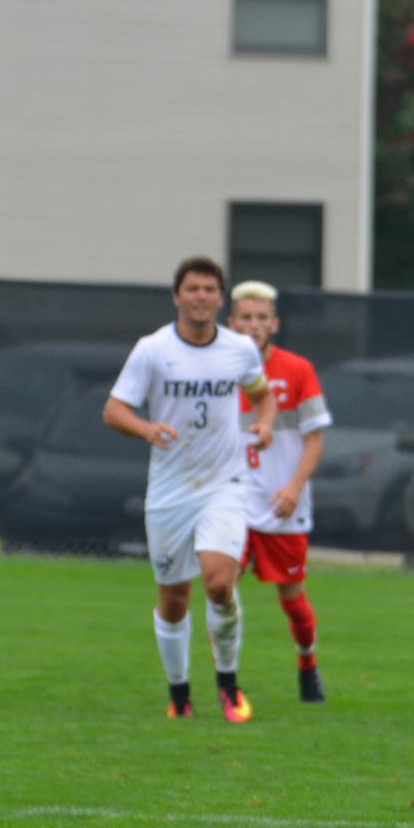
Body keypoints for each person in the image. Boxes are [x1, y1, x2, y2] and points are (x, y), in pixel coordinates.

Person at [103, 256, 275, 722]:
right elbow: (114, 410)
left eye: (209, 289)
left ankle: (228, 684)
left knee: (220, 583)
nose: (201, 297)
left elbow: (263, 394)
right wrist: (146, 429)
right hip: (170, 491)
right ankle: (179, 695)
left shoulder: (240, 349)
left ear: (221, 298)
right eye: (193, 289)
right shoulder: (153, 350)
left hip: (224, 483)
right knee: (175, 597)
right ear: (177, 296)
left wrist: (264, 423)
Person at [228, 281, 333, 703]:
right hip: (231, 501)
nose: (253, 325)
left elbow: (315, 439)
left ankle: (307, 662)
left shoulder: (297, 369)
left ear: (274, 324)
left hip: (281, 504)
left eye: (261, 318)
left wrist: (293, 487)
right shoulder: (219, 368)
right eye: (245, 317)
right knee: (221, 589)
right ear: (231, 322)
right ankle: (227, 681)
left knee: (292, 600)